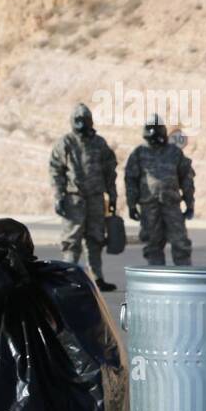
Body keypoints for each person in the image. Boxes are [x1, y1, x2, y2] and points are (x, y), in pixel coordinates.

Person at [49, 103, 118, 291]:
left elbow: (110, 172)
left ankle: (97, 278)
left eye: (84, 120)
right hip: (74, 199)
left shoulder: (99, 144)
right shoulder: (66, 143)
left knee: (95, 239)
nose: (81, 124)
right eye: (77, 120)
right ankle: (68, 278)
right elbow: (56, 171)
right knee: (71, 242)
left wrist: (112, 197)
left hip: (95, 199)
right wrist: (58, 196)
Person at [125, 114, 195, 266]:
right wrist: (131, 205)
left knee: (181, 244)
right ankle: (157, 281)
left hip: (172, 206)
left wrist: (190, 204)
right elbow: (130, 179)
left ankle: (184, 280)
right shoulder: (139, 153)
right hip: (149, 207)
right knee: (152, 246)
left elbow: (187, 179)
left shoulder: (174, 152)